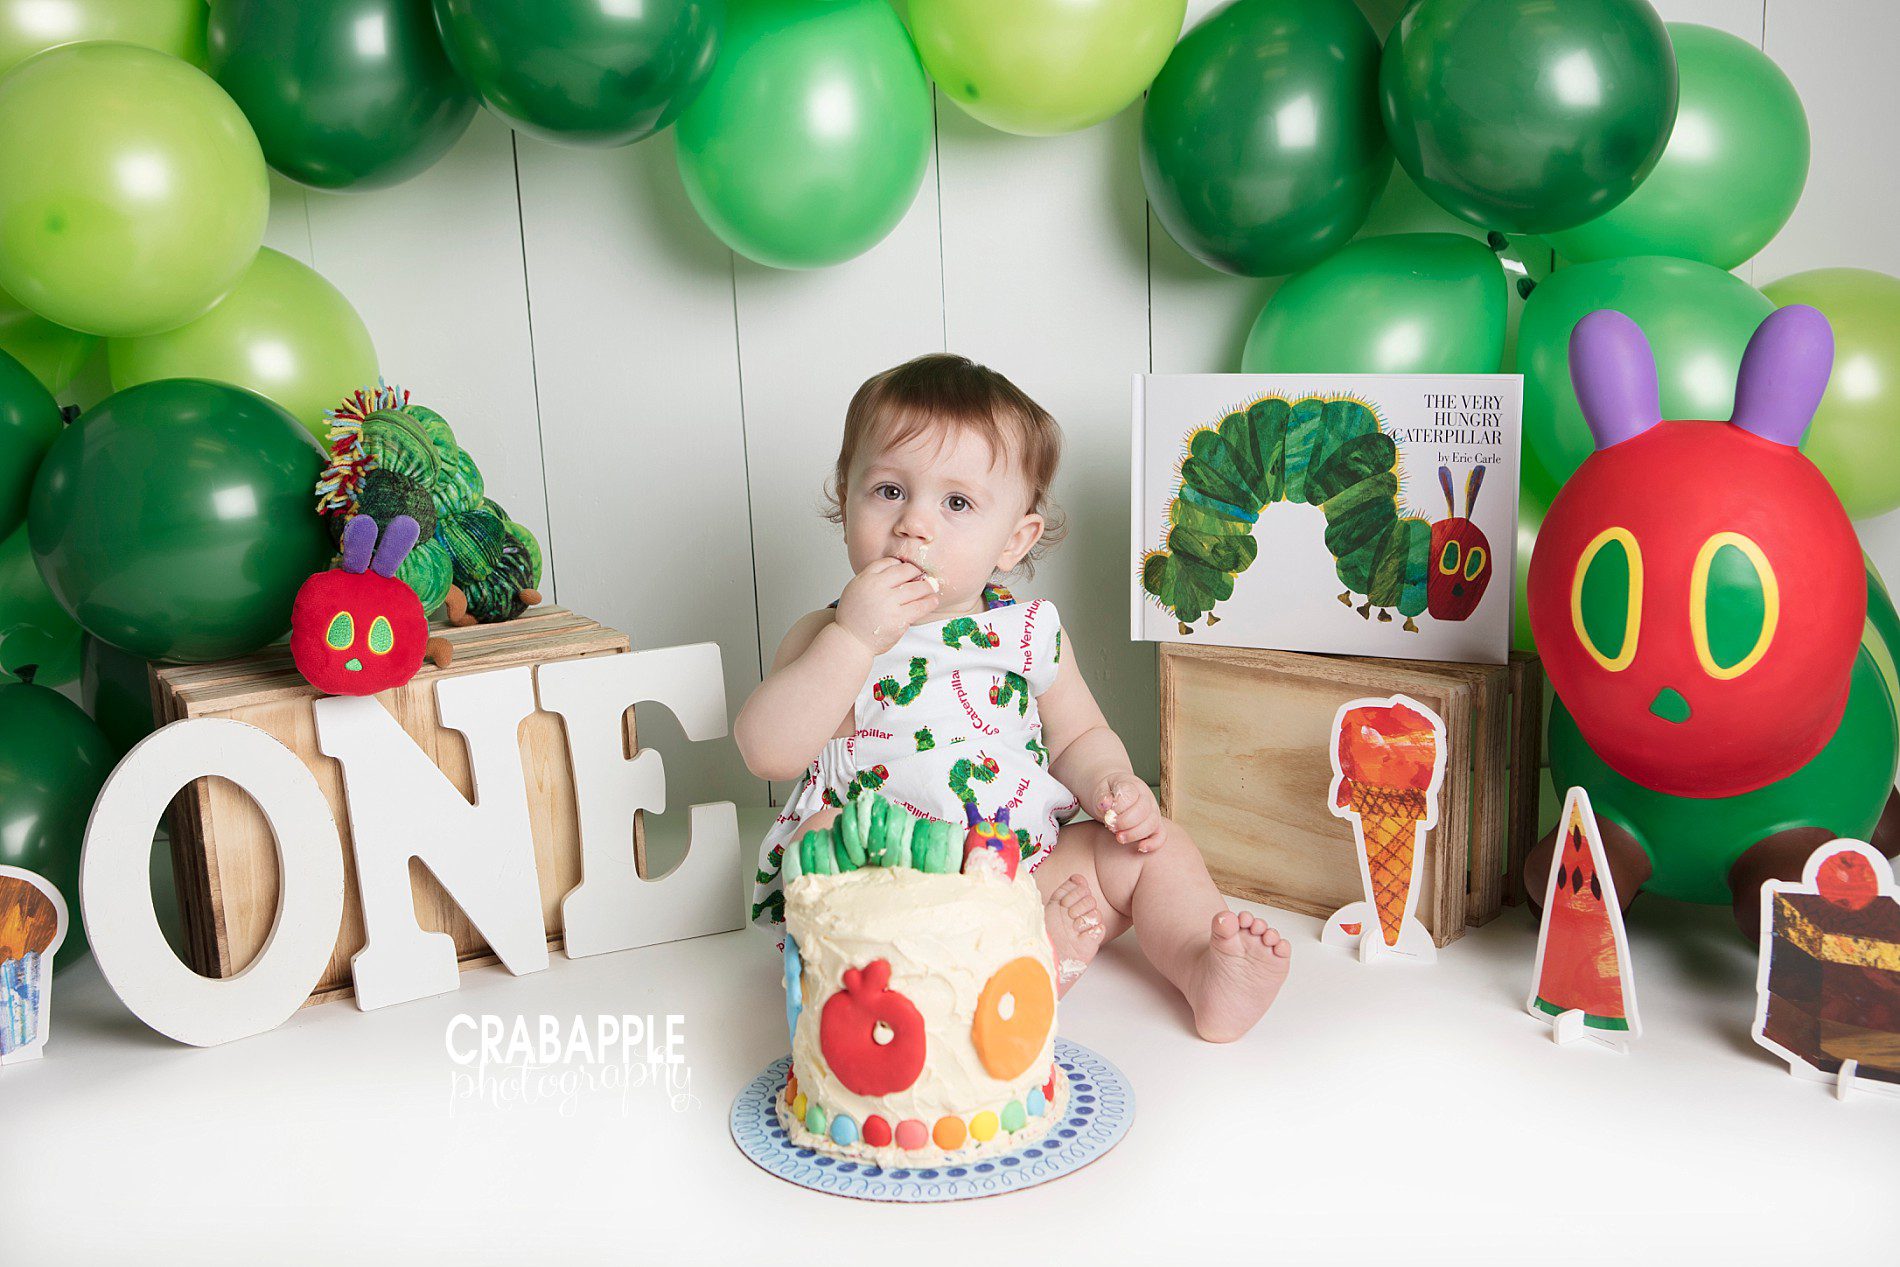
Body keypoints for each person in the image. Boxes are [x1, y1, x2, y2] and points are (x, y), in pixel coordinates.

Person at [736, 354, 1290, 1042]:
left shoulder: (1027, 634)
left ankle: (1203, 966)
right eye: (888, 490)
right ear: (846, 495)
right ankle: (1013, 965)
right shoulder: (829, 634)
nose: (915, 524)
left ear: (1015, 539)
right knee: (822, 848)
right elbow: (767, 750)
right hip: (897, 884)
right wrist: (854, 636)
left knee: (1152, 852)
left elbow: (1080, 737)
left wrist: (1113, 781)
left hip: (1025, 863)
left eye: (957, 503)